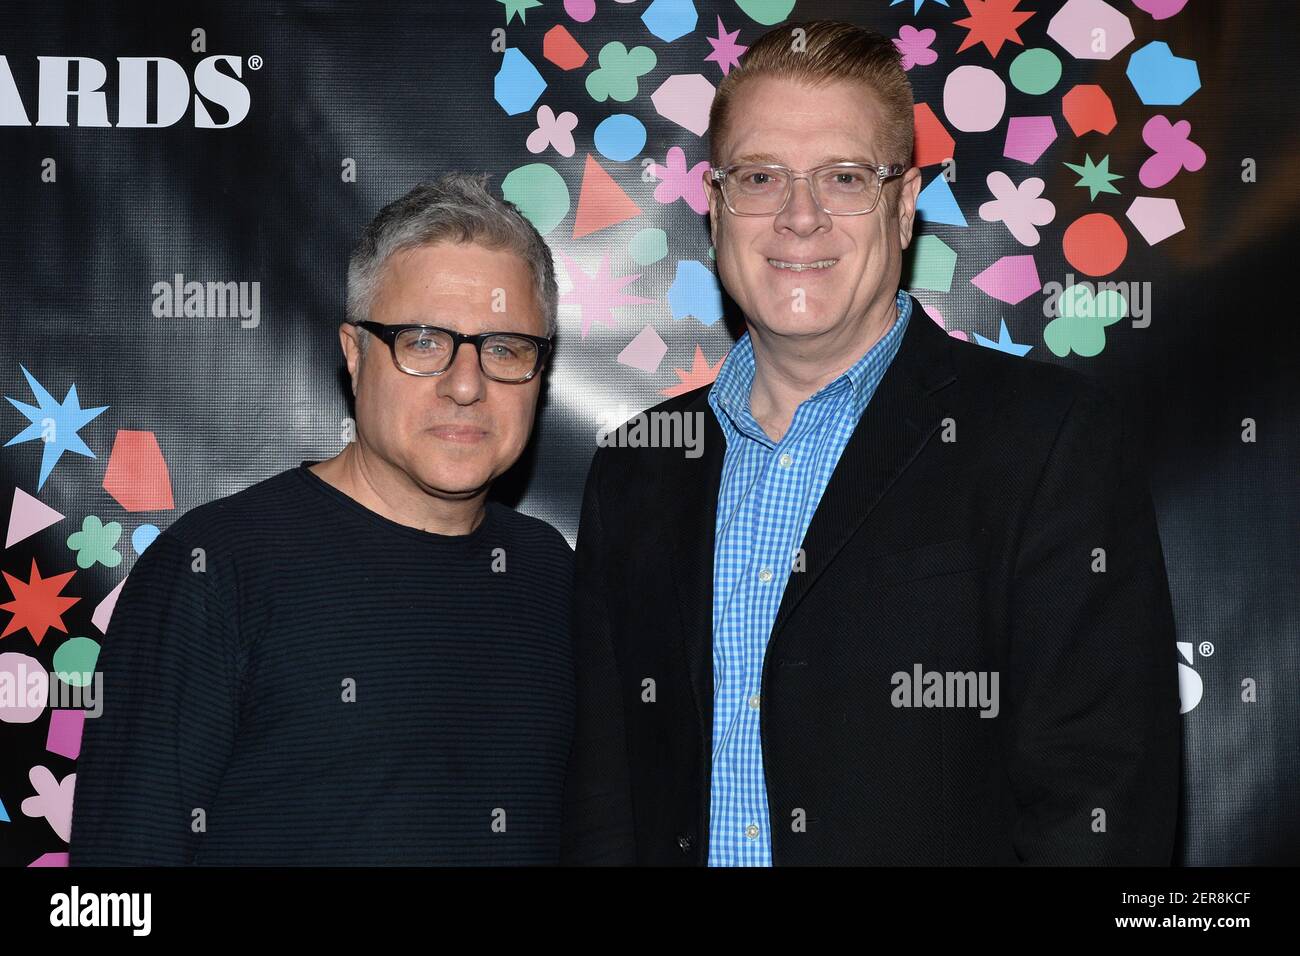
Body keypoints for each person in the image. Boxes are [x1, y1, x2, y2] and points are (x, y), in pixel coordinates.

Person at [562, 20, 1181, 865]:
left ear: (902, 203)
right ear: (713, 204)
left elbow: (1101, 805)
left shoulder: (1046, 445)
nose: (800, 216)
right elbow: (606, 803)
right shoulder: (635, 470)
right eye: (760, 176)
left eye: (845, 178)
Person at [71, 173, 575, 865]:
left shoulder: (552, 573)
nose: (466, 384)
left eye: (505, 347)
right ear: (354, 351)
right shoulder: (213, 572)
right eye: (423, 341)